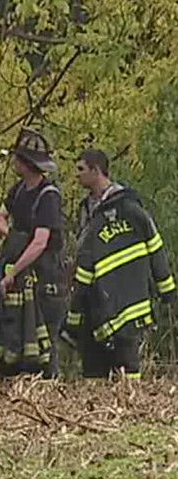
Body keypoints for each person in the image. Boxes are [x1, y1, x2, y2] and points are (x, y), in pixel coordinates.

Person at [67, 149, 175, 380]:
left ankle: (131, 413)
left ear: (96, 170)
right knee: (94, 370)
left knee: (127, 370)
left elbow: (155, 247)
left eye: (80, 169)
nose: (76, 175)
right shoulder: (87, 209)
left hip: (129, 305)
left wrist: (167, 290)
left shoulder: (130, 209)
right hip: (96, 303)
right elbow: (84, 259)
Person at [0, 127, 66, 378]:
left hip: (45, 278)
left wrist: (13, 271)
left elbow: (40, 242)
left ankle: (47, 389)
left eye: (17, 158)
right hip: (20, 276)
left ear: (26, 163)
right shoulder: (18, 190)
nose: (13, 162)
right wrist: (13, 236)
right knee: (14, 336)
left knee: (43, 340)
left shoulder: (48, 196)